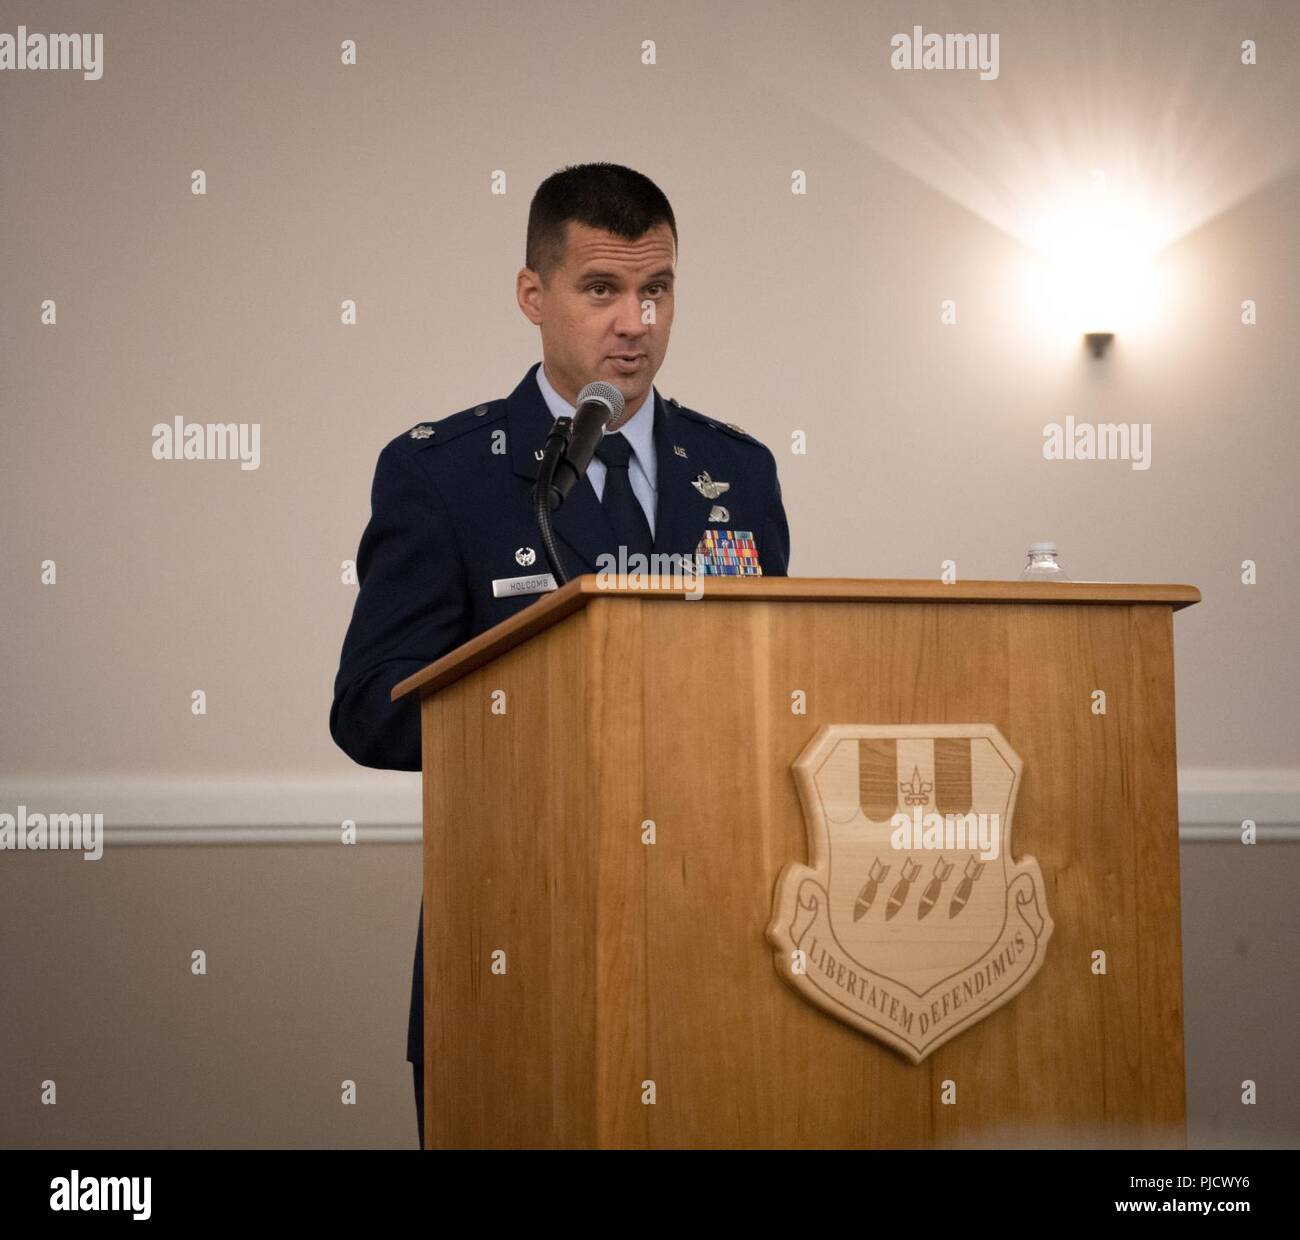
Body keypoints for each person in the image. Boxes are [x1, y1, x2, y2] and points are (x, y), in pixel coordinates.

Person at [329, 162, 792, 1147]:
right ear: (532, 297)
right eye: (601, 290)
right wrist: (540, 710)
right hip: (514, 945)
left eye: (656, 289)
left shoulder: (739, 472)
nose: (635, 321)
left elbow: (773, 687)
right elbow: (370, 705)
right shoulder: (443, 474)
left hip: (715, 940)